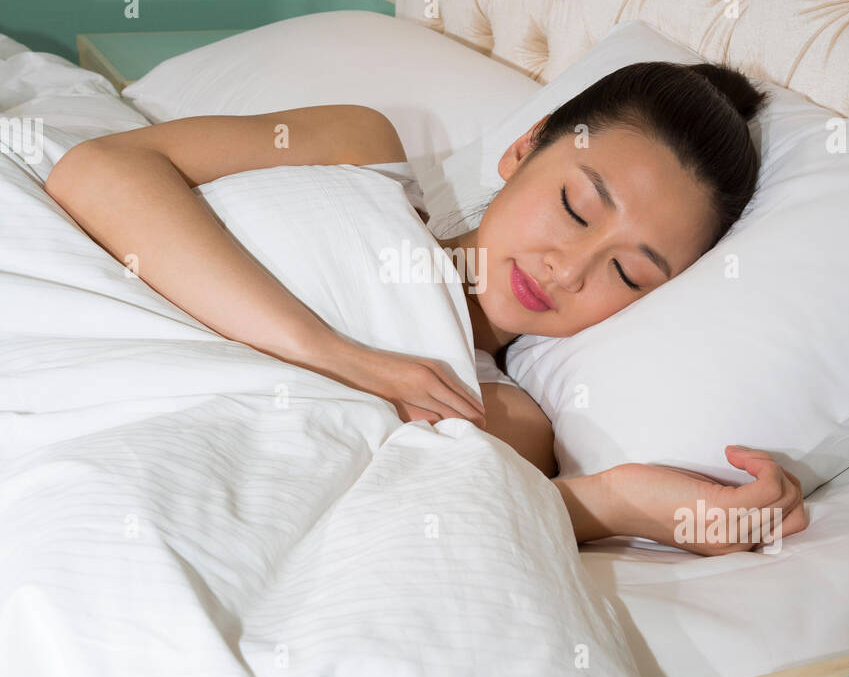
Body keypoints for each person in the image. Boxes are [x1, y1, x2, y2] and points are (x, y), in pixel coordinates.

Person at [43, 60, 806, 556]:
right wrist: (331, 351)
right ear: (526, 145)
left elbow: (426, 515)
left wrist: (621, 502)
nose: (569, 271)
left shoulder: (510, 418)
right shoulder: (360, 148)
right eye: (575, 207)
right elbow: (98, 168)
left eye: (630, 275)